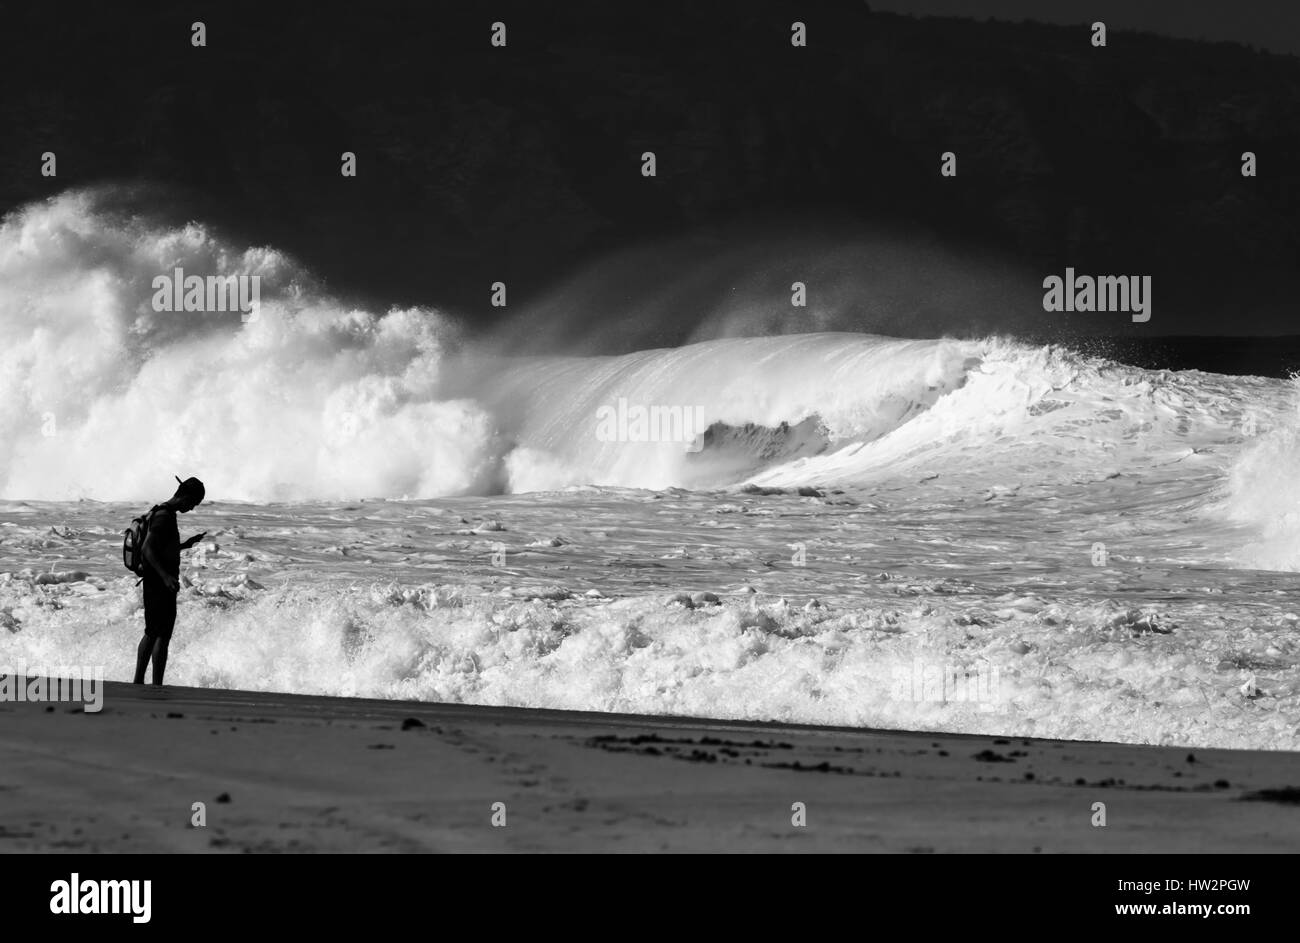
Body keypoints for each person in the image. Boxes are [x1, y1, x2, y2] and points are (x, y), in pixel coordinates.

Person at [133, 476, 206, 685]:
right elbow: (148, 549)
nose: (191, 508)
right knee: (161, 635)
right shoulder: (164, 516)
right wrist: (166, 577)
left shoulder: (163, 512)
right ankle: (155, 684)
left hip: (156, 581)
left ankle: (140, 681)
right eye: (193, 503)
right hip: (159, 582)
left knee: (153, 631)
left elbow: (160, 548)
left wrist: (185, 545)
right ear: (185, 496)